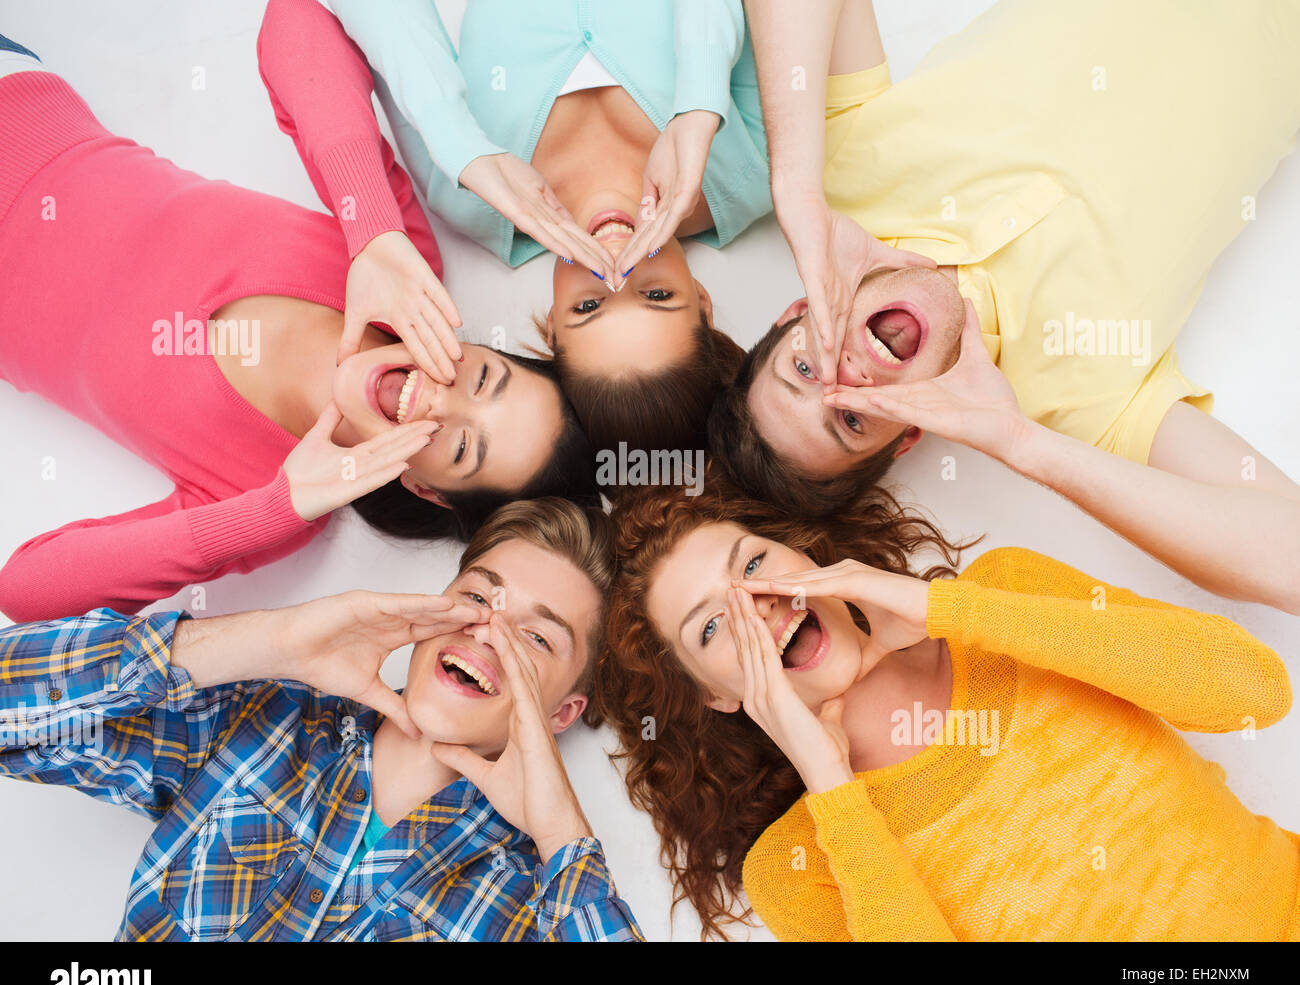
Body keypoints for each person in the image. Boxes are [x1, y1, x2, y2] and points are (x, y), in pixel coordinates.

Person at [711, 0, 1300, 613]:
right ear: (910, 436)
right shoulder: (1081, 404)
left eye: (805, 370)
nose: (844, 380)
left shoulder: (841, 174)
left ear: (797, 311)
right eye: (851, 419)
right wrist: (1022, 444)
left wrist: (798, 192)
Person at [0, 22, 596, 623]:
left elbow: (24, 588)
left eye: (463, 444)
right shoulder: (405, 270)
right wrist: (373, 234)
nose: (441, 399)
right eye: (483, 379)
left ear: (426, 489)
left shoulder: (266, 501)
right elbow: (299, 20)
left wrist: (275, 509)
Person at [590, 475, 1296, 940]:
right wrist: (834, 792)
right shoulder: (797, 863)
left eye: (751, 566)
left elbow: (1256, 691)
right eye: (711, 627)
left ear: (805, 556)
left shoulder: (1002, 595)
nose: (756, 607)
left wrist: (947, 609)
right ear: (717, 694)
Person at [0, 497, 642, 942]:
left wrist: (561, 832)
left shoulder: (529, 904)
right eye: (477, 597)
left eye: (536, 639)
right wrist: (274, 637)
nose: (488, 632)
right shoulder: (256, 721)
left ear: (562, 713)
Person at [317, 0, 771, 451]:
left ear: (552, 326)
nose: (617, 269)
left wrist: (455, 138)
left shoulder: (469, 196)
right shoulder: (751, 173)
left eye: (589, 307)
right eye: (656, 295)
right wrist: (700, 102)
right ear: (703, 303)